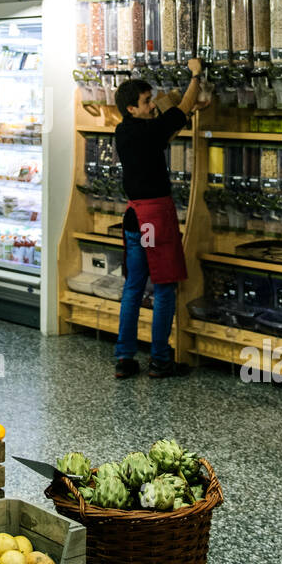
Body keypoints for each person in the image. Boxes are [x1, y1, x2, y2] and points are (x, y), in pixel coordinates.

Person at [112, 58, 203, 379]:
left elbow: (166, 133)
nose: (151, 106)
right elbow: (184, 106)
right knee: (164, 288)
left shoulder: (124, 132)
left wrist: (177, 112)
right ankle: (161, 359)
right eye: (146, 102)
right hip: (155, 219)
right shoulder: (149, 131)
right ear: (132, 109)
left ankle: (124, 358)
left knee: (134, 287)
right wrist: (196, 75)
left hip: (134, 220)